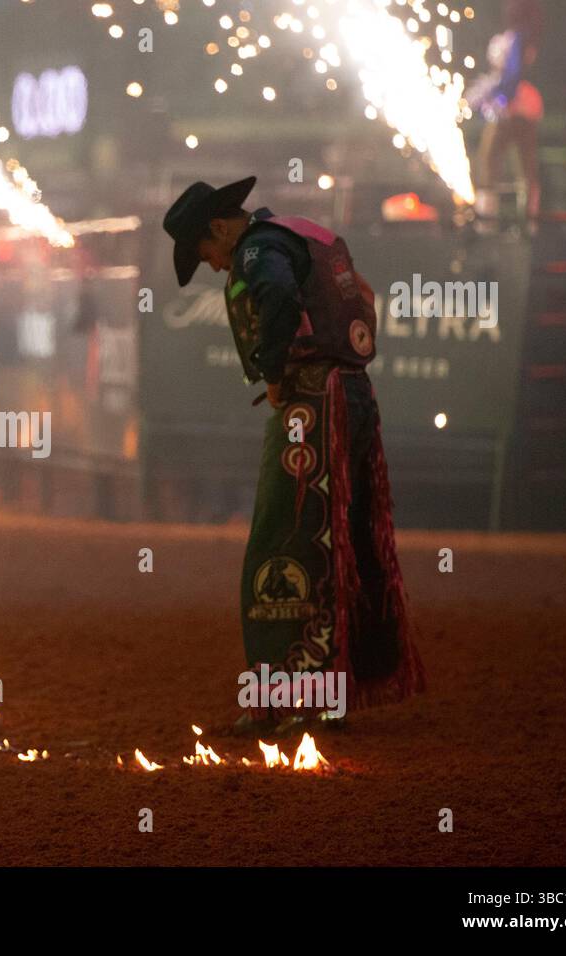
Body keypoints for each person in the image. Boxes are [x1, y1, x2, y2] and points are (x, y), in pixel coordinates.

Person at [163, 177, 425, 735]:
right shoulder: (303, 235)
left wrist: (279, 374)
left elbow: (278, 297)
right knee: (345, 537)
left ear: (218, 229)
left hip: (314, 402)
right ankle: (337, 691)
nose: (211, 266)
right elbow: (368, 298)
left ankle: (283, 696)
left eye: (205, 252)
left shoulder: (258, 249)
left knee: (283, 541)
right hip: (352, 395)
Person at [467, 0, 544, 226]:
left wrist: (499, 98)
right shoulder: (517, 36)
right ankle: (529, 219)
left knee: (490, 158)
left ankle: (487, 219)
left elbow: (512, 74)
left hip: (512, 105)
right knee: (523, 162)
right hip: (513, 103)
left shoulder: (519, 37)